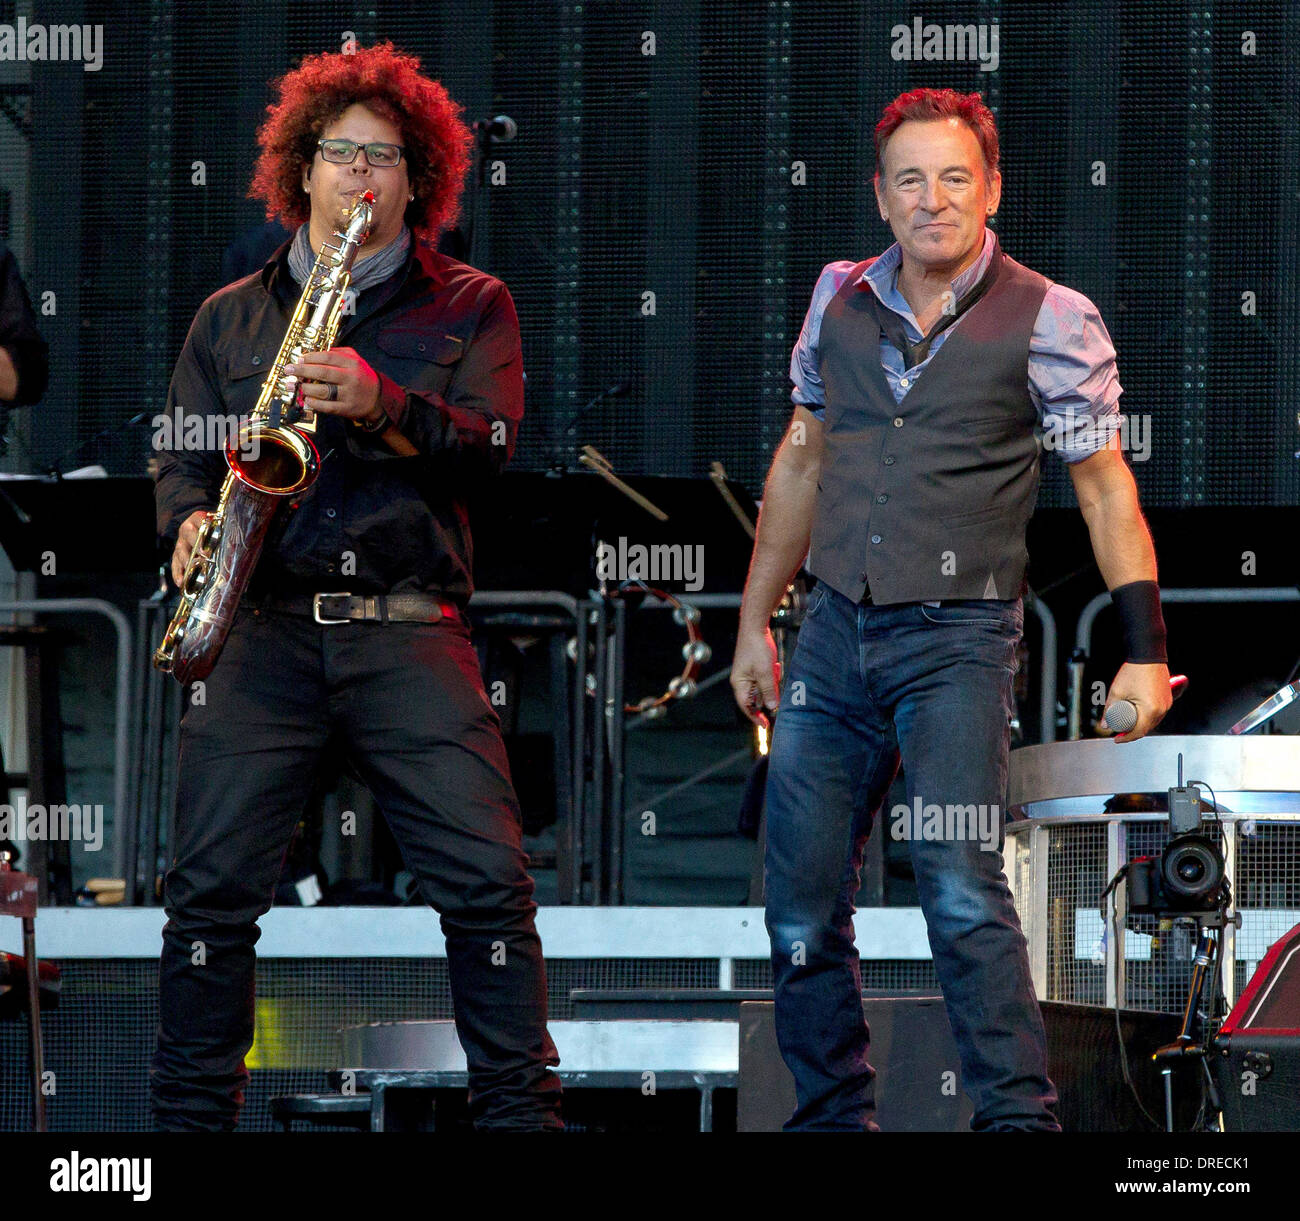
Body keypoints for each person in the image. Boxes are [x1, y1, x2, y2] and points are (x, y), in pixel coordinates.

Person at [730, 87, 1172, 1131]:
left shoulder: (1049, 315)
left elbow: (1105, 489)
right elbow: (800, 462)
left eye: (955, 178)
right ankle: (833, 1116)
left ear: (992, 190)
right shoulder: (838, 294)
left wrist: (1143, 652)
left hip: (957, 643)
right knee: (797, 904)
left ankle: (1016, 1120)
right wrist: (756, 620)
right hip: (833, 634)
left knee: (960, 885)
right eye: (911, 180)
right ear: (882, 198)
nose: (933, 200)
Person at [152, 42, 562, 1131]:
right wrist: (188, 523)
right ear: (303, 168)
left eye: (384, 158)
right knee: (208, 901)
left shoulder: (472, 304)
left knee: (486, 890)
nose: (361, 177)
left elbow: (494, 449)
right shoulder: (231, 315)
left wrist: (385, 405)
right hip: (263, 624)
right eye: (341, 155)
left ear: (417, 179)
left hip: (406, 626)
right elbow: (183, 457)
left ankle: (522, 1119)